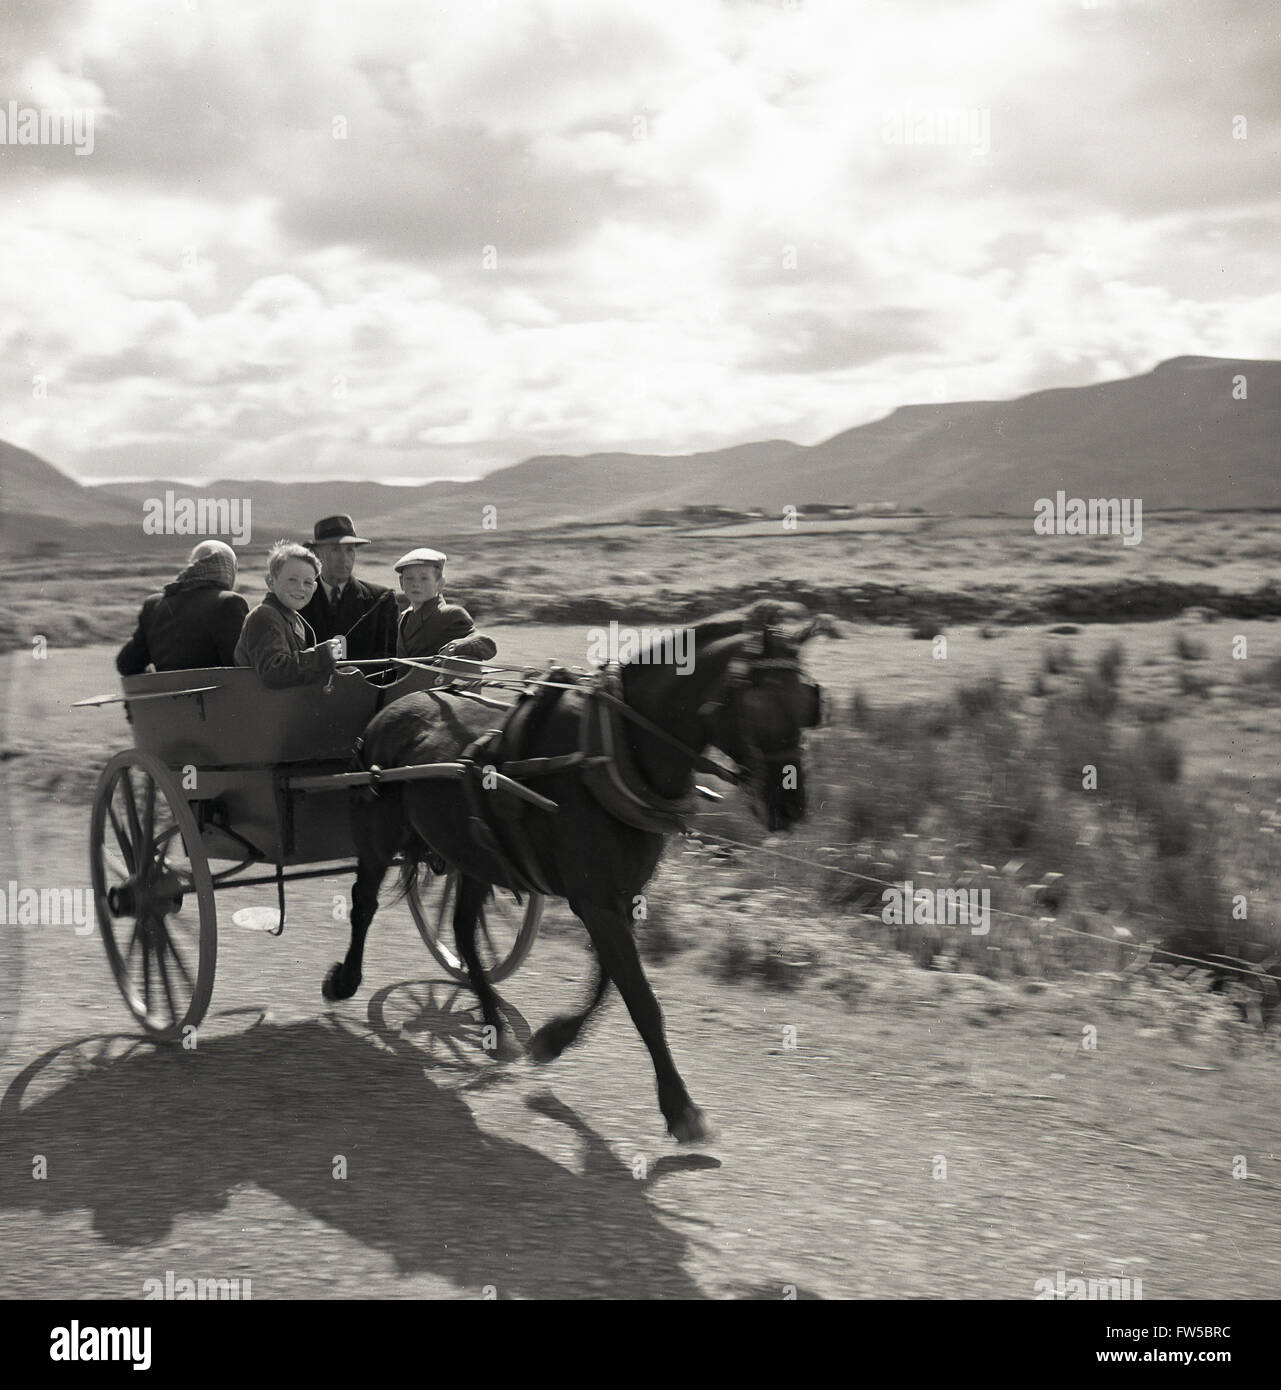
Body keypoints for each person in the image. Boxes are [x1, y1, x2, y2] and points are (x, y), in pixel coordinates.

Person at [117, 539, 249, 675]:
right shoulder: (229, 602)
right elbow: (241, 666)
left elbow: (126, 664)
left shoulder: (154, 605)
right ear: (229, 570)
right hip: (217, 695)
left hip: (165, 695)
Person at [234, 541, 342, 688]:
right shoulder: (264, 615)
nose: (300, 588)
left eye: (308, 583)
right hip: (264, 706)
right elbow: (273, 671)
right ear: (271, 582)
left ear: (315, 588)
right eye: (292, 580)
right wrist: (322, 655)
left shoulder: (295, 620)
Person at [297, 514, 398, 660]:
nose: (344, 558)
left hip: (364, 682)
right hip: (312, 682)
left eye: (349, 550)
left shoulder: (380, 600)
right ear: (317, 553)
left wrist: (354, 675)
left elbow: (388, 657)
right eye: (335, 550)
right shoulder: (299, 598)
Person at [394, 548, 497, 662]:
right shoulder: (403, 618)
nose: (416, 584)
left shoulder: (450, 614)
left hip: (435, 679)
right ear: (401, 583)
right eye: (409, 578)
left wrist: (456, 647)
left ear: (440, 583)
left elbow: (486, 644)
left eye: (424, 578)